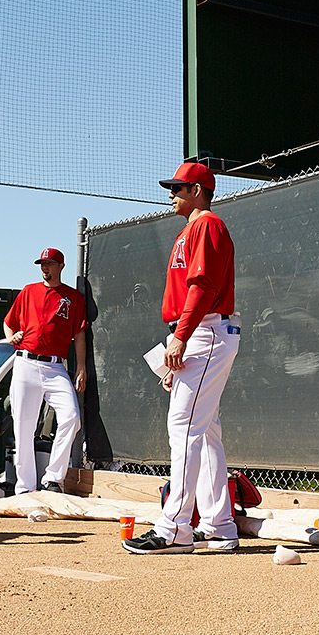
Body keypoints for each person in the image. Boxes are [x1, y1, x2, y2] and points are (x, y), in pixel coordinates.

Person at [124, 162, 241, 554]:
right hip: (199, 331)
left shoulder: (207, 224)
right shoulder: (190, 229)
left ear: (197, 189)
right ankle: (219, 525)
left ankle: (175, 529)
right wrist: (179, 339)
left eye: (177, 186)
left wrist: (182, 338)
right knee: (204, 430)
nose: (170, 193)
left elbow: (203, 286)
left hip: (205, 329)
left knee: (184, 426)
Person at [1, 247, 90, 495]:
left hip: (55, 366)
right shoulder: (29, 291)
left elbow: (79, 334)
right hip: (26, 363)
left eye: (50, 263)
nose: (45, 267)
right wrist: (11, 336)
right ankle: (25, 488)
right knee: (23, 427)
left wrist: (81, 367)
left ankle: (52, 478)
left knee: (71, 417)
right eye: (42, 263)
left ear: (60, 266)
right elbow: (8, 323)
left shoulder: (72, 297)